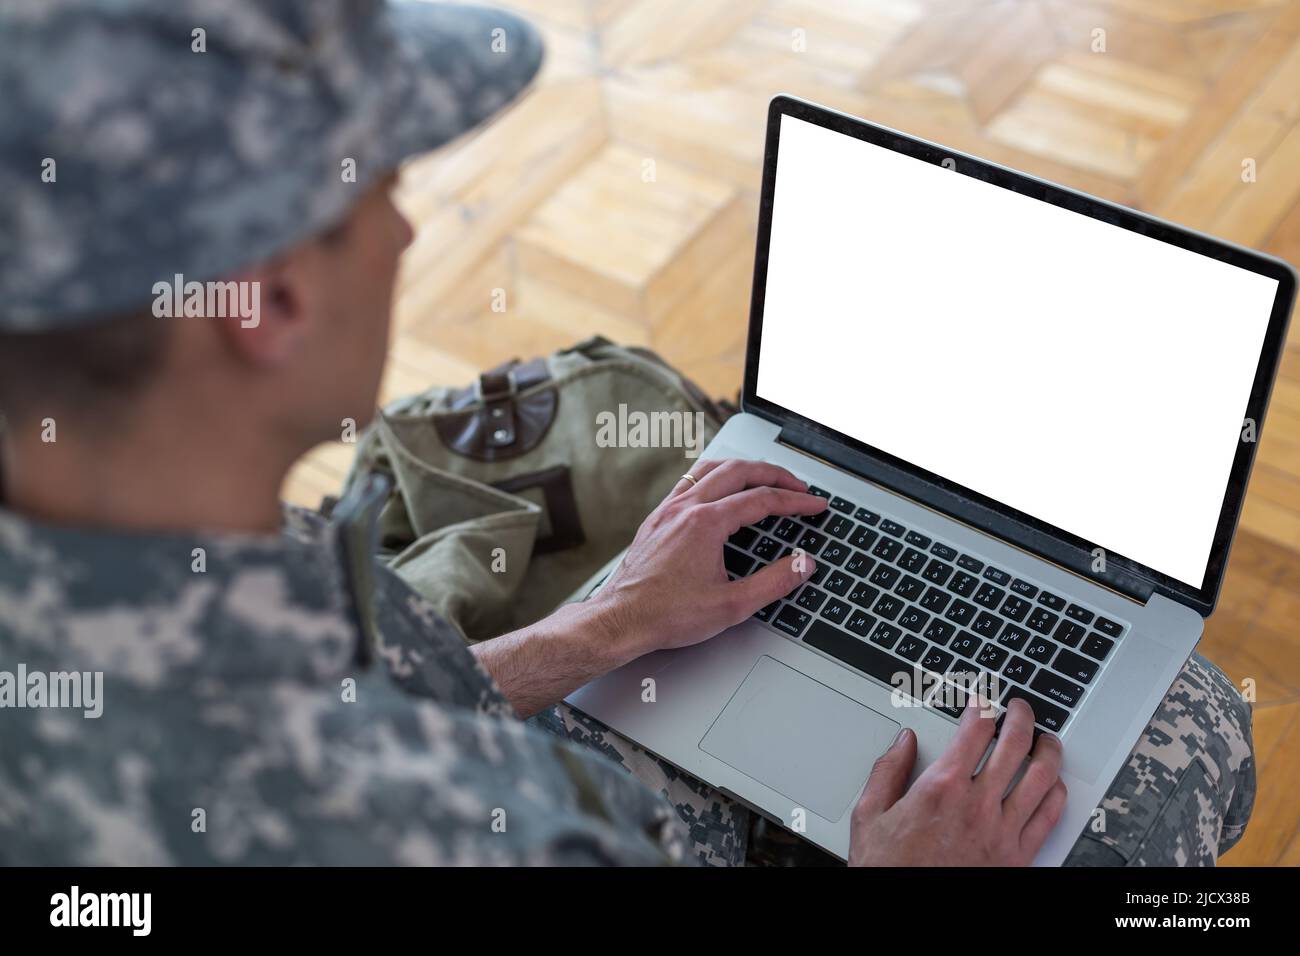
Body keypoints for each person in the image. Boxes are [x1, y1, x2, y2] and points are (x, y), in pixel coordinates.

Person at [0, 0, 1255, 867]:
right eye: (378, 186)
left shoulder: (121, 549)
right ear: (269, 300)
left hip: (556, 756)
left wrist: (603, 627)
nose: (404, 233)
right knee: (1192, 716)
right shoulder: (396, 823)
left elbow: (362, 700)